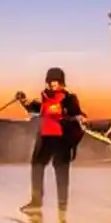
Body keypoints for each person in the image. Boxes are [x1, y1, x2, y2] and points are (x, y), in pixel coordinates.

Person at [18, 67, 84, 212]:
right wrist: (23, 100)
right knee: (37, 165)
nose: (53, 84)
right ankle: (36, 201)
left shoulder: (69, 98)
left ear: (62, 82)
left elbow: (77, 114)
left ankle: (62, 205)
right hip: (45, 137)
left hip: (62, 138)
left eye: (56, 81)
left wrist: (69, 116)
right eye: (51, 81)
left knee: (61, 169)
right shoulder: (45, 97)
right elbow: (33, 108)